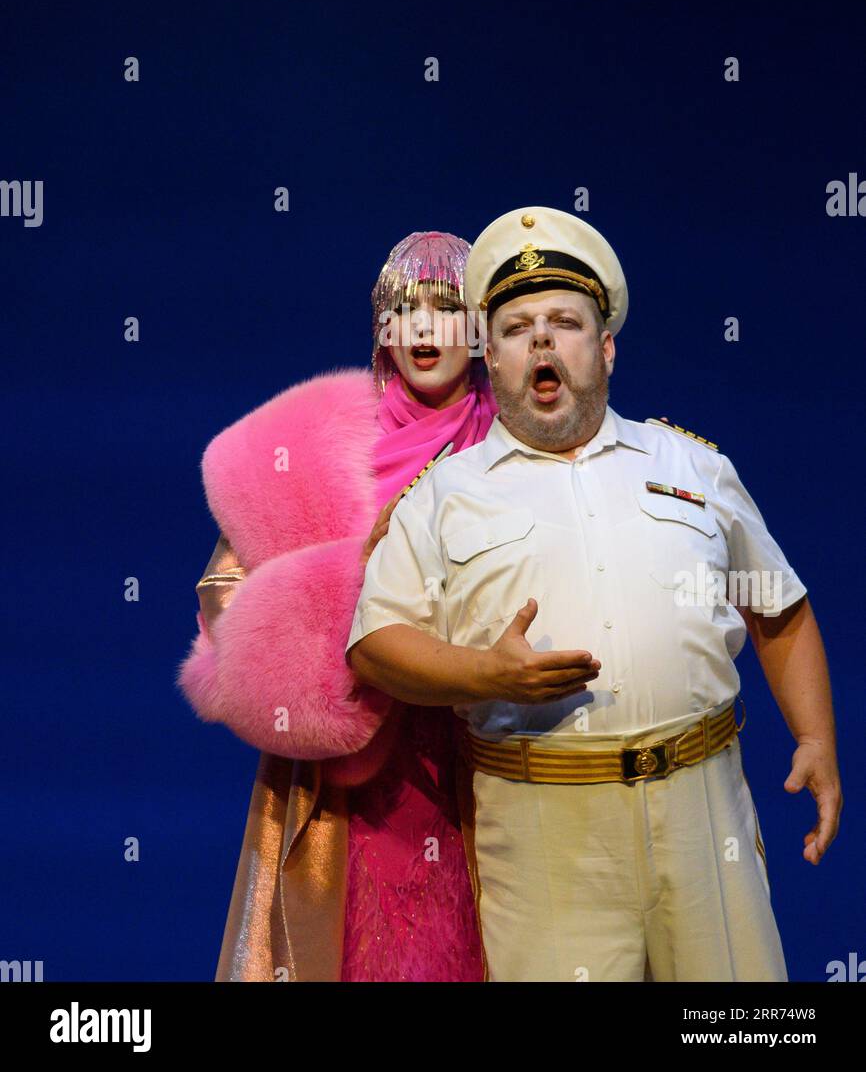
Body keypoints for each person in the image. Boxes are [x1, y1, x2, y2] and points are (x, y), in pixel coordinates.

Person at [346, 204, 843, 982]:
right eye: (516, 328)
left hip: (701, 805)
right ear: (493, 360)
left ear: (605, 348)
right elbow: (375, 645)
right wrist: (488, 676)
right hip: (543, 825)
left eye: (565, 322)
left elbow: (776, 604)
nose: (542, 339)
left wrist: (815, 740)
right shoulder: (440, 498)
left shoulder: (694, 468)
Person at [177, 230, 497, 981]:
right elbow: (223, 603)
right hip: (345, 790)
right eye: (403, 309)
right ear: (381, 327)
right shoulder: (302, 449)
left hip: (489, 770)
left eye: (447, 308)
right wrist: (355, 585)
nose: (423, 328)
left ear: (480, 331)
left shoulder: (517, 452)